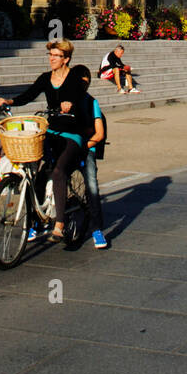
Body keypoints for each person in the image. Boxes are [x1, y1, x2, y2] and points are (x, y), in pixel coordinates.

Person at [0, 39, 88, 243]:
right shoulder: (46, 78)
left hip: (72, 133)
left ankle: (60, 224)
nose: (52, 59)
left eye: (56, 56)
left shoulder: (74, 78)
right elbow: (29, 95)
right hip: (52, 131)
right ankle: (36, 221)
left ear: (66, 59)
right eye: (50, 55)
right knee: (35, 171)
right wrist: (10, 101)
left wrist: (69, 103)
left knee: (58, 172)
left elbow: (79, 92)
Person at [76, 70, 108, 249]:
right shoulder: (64, 100)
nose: (82, 86)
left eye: (85, 83)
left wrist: (84, 145)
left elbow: (100, 134)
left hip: (87, 147)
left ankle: (96, 228)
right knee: (46, 173)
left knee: (92, 185)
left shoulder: (91, 102)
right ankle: (35, 223)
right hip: (69, 146)